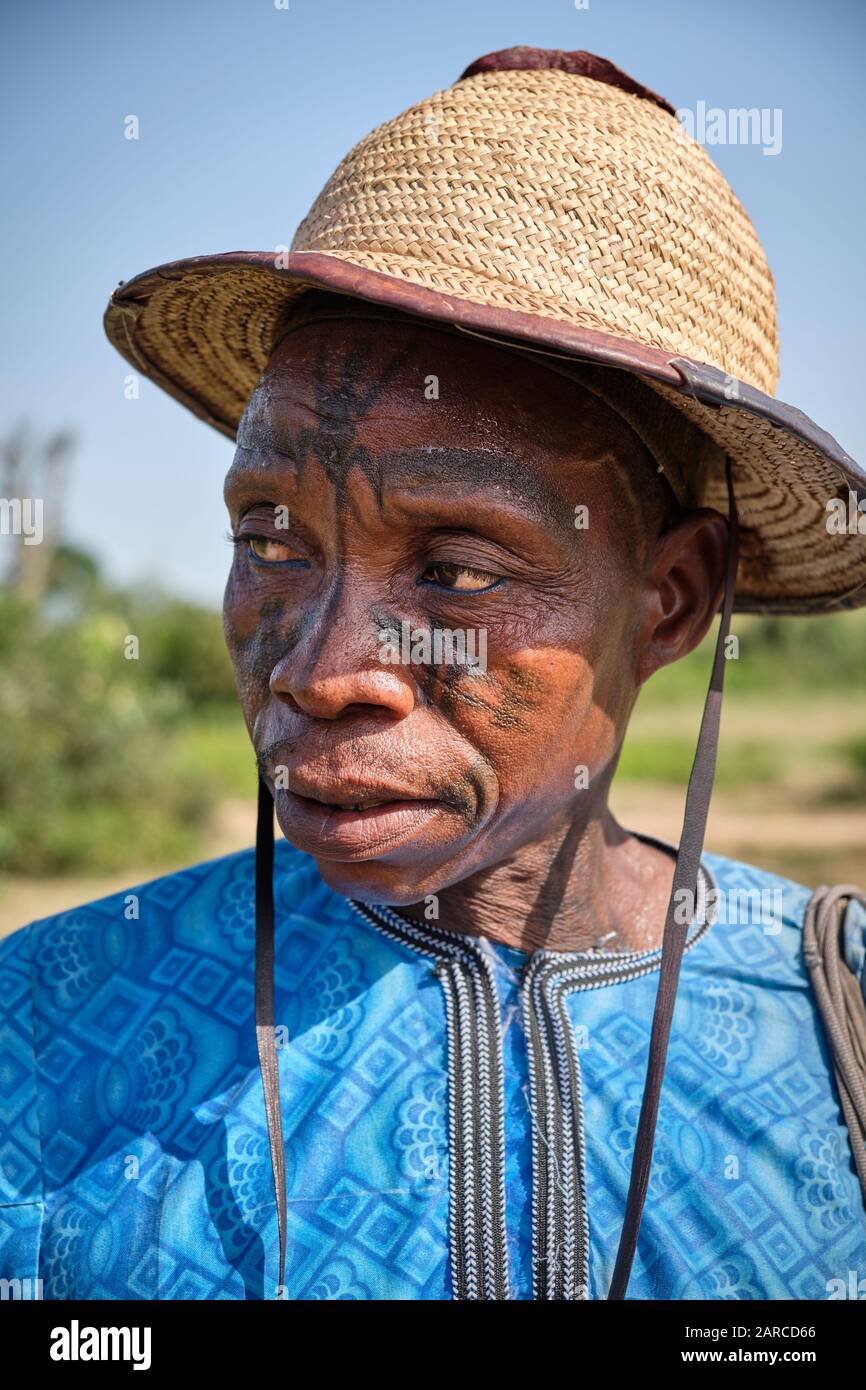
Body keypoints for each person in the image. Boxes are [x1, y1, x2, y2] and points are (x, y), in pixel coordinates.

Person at [2, 47, 864, 1302]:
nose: (320, 670)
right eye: (271, 540)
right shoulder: (45, 1023)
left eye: (458, 570)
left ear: (670, 598)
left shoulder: (831, 1023)